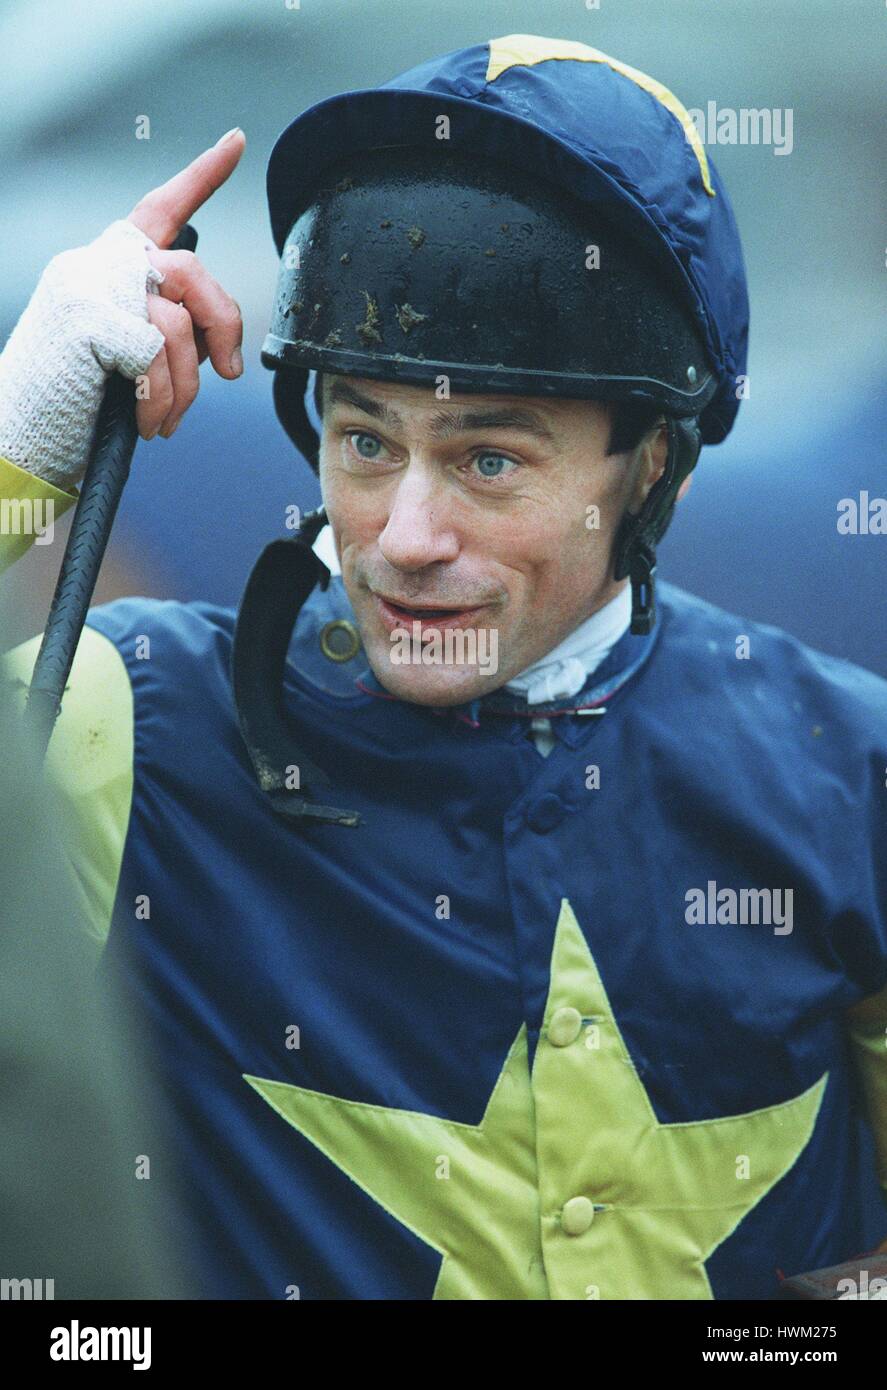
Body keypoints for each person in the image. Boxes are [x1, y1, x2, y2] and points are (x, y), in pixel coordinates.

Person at [1, 33, 885, 1301]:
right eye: (365, 440)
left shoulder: (847, 772)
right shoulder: (122, 721)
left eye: (487, 460)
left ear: (652, 467)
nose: (405, 538)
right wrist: (12, 451)